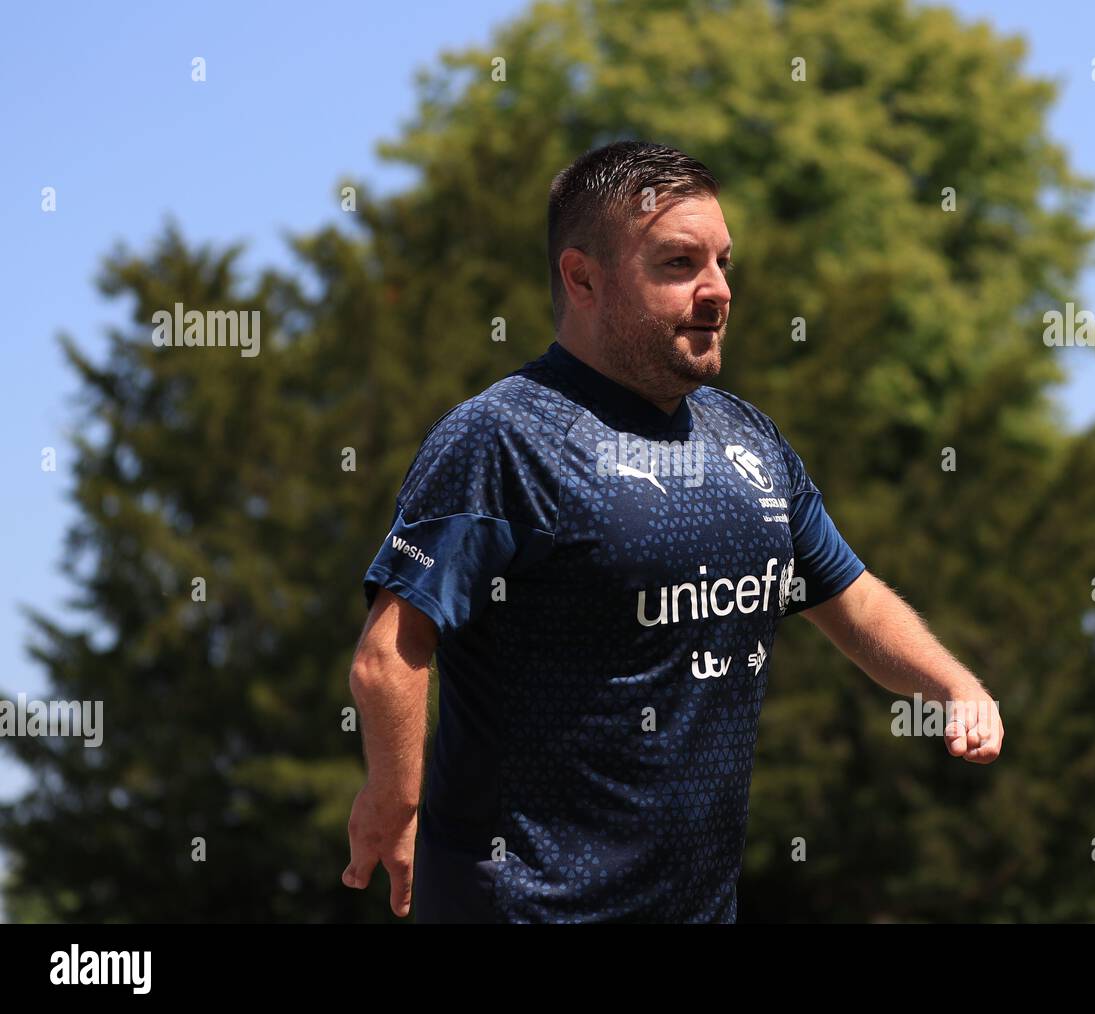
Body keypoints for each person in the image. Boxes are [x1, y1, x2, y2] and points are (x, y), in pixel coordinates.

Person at [342, 140, 1003, 923]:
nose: (718, 290)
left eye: (724, 262)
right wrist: (395, 803)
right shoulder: (503, 437)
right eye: (679, 264)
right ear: (583, 277)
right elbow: (390, 655)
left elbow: (851, 599)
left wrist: (953, 684)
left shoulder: (750, 441)